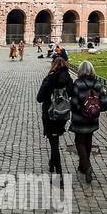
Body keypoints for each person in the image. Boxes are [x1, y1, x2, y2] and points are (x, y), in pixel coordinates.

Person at [69, 61, 107, 183]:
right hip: (92, 119)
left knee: (79, 142)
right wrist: (95, 110)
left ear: (80, 71)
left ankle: (87, 166)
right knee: (88, 141)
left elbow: (75, 103)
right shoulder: (97, 84)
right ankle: (83, 166)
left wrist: (80, 109)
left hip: (79, 119)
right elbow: (104, 102)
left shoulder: (78, 84)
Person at [35, 56, 73, 185]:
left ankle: (60, 175)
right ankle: (52, 163)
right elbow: (73, 93)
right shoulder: (68, 79)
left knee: (54, 143)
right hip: (62, 115)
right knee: (55, 139)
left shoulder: (50, 78)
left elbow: (39, 98)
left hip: (50, 114)